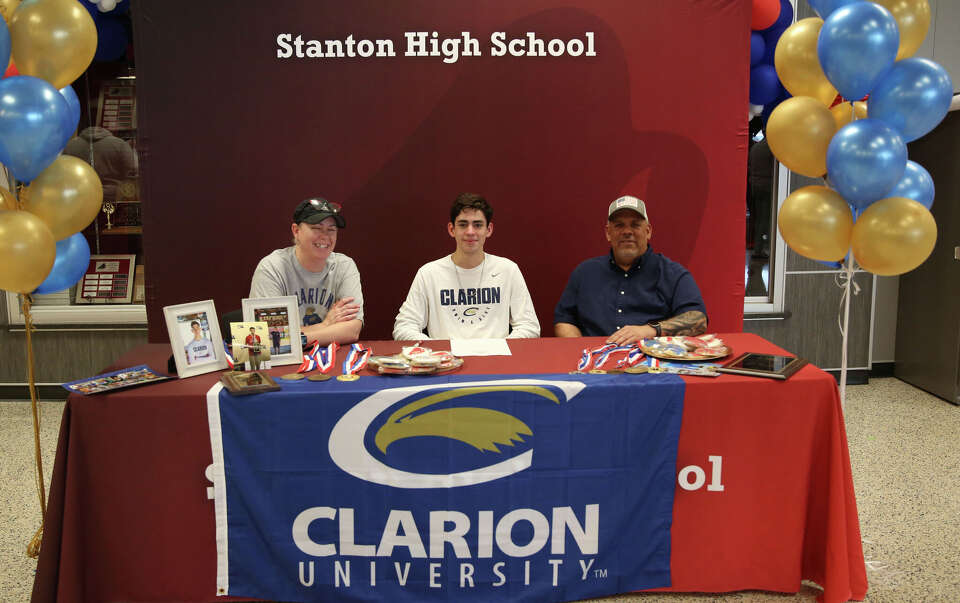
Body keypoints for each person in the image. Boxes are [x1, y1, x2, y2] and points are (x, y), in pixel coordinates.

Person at [554, 195, 707, 344]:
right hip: (593, 363)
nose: (627, 231)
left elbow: (698, 319)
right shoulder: (584, 273)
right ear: (608, 233)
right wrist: (581, 351)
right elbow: (564, 320)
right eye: (619, 225)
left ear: (648, 231)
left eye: (635, 225)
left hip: (652, 363)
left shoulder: (673, 273)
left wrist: (648, 331)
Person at [393, 193, 540, 340]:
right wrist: (438, 352)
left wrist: (499, 348)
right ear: (452, 229)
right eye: (463, 224)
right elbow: (404, 326)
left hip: (496, 360)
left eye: (478, 225)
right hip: (446, 361)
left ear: (489, 230)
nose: (470, 232)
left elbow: (529, 326)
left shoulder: (508, 270)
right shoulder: (429, 273)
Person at [249, 198, 363, 345]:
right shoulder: (272, 268)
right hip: (284, 363)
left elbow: (352, 330)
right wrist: (324, 325)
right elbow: (269, 338)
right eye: (316, 228)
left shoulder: (344, 266)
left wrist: (294, 338)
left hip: (330, 358)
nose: (325, 236)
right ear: (296, 231)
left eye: (331, 229)